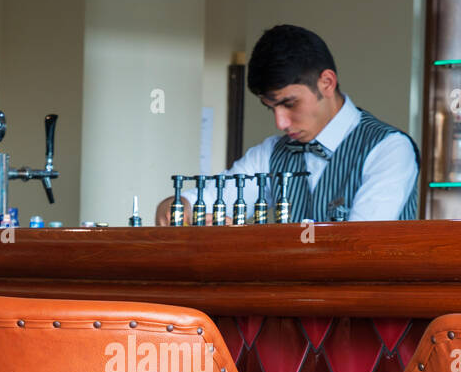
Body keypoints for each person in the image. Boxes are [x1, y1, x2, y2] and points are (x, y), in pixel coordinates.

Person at [156, 24, 419, 224]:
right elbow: (210, 198)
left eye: (290, 104)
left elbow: (359, 249)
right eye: (270, 108)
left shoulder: (389, 149)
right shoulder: (271, 153)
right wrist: (179, 208)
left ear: (326, 82)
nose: (280, 122)